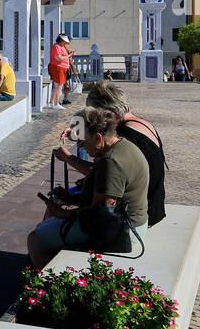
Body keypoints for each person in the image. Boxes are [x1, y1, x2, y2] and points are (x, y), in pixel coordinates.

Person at [28, 107, 149, 271]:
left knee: (36, 239)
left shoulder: (111, 162)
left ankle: (46, 288)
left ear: (98, 138)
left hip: (124, 230)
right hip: (134, 221)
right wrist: (72, 198)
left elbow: (101, 213)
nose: (83, 148)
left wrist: (64, 213)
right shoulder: (123, 146)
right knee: (50, 223)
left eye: (84, 143)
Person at [55, 81, 166, 228]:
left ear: (107, 112)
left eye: (94, 114)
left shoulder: (123, 136)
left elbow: (101, 172)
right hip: (153, 206)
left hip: (138, 214)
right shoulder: (141, 123)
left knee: (56, 216)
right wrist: (78, 132)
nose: (93, 120)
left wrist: (68, 157)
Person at [47, 34, 71, 109]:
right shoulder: (56, 47)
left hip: (60, 68)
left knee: (56, 86)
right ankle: (56, 103)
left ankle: (51, 102)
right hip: (58, 68)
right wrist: (69, 56)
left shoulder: (60, 47)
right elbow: (59, 58)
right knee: (59, 86)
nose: (65, 43)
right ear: (61, 41)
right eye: (64, 42)